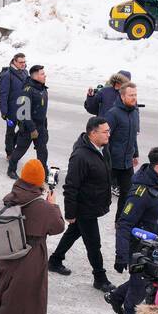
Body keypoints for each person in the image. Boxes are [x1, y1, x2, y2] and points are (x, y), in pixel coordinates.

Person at [0, 160, 65, 314]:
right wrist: (53, 205)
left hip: (8, 253)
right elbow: (58, 226)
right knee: (17, 298)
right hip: (31, 256)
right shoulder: (40, 206)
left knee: (23, 296)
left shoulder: (10, 197)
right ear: (40, 181)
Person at [108, 146, 158, 314]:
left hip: (156, 245)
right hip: (139, 248)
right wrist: (121, 256)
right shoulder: (141, 193)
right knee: (140, 288)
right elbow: (124, 224)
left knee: (155, 278)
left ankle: (116, 296)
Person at [49, 117, 115, 292]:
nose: (109, 134)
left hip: (94, 203)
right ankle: (100, 278)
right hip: (85, 207)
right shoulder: (80, 156)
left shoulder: (102, 148)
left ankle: (55, 260)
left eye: (109, 130)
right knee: (94, 244)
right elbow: (71, 187)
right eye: (105, 131)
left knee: (74, 232)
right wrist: (70, 214)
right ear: (93, 133)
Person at [6, 64, 49, 179]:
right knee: (20, 150)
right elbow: (24, 113)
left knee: (42, 152)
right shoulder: (27, 90)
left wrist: (44, 128)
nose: (45, 76)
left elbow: (43, 112)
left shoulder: (43, 89)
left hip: (40, 127)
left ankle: (44, 173)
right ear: (35, 76)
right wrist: (32, 129)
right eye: (42, 74)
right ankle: (11, 170)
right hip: (28, 128)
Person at [104, 80, 141, 207]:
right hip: (112, 162)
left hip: (127, 163)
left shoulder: (135, 113)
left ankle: (120, 223)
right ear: (122, 96)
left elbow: (133, 135)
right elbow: (104, 138)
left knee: (127, 194)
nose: (134, 98)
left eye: (135, 95)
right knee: (100, 193)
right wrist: (105, 159)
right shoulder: (113, 114)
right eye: (131, 95)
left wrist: (135, 154)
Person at [0, 52, 28, 159]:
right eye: (20, 62)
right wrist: (4, 112)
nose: (23, 64)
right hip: (11, 110)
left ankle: (13, 146)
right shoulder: (7, 75)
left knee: (24, 130)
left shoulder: (25, 72)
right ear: (14, 61)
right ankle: (9, 152)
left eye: (24, 62)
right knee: (10, 132)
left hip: (23, 109)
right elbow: (3, 94)